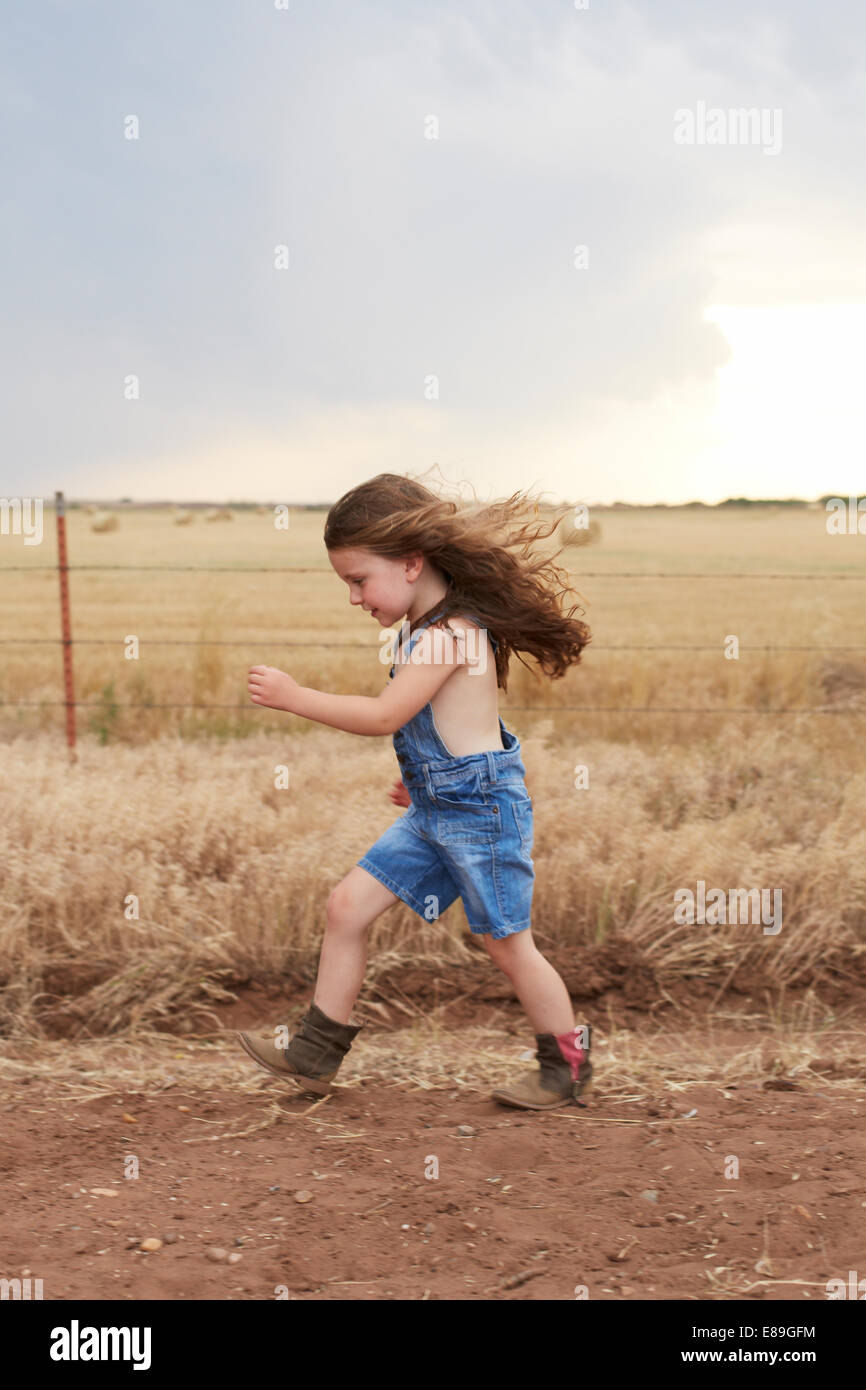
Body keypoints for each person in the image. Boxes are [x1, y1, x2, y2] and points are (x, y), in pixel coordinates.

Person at [237, 472, 593, 1110]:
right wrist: (423, 776)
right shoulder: (424, 630)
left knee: (507, 942)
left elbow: (383, 716)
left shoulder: (449, 634)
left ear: (410, 563)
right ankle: (315, 1054)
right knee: (346, 909)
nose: (353, 598)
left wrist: (295, 698)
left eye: (357, 580)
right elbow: (461, 724)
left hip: (481, 813)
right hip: (439, 808)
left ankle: (565, 1064)